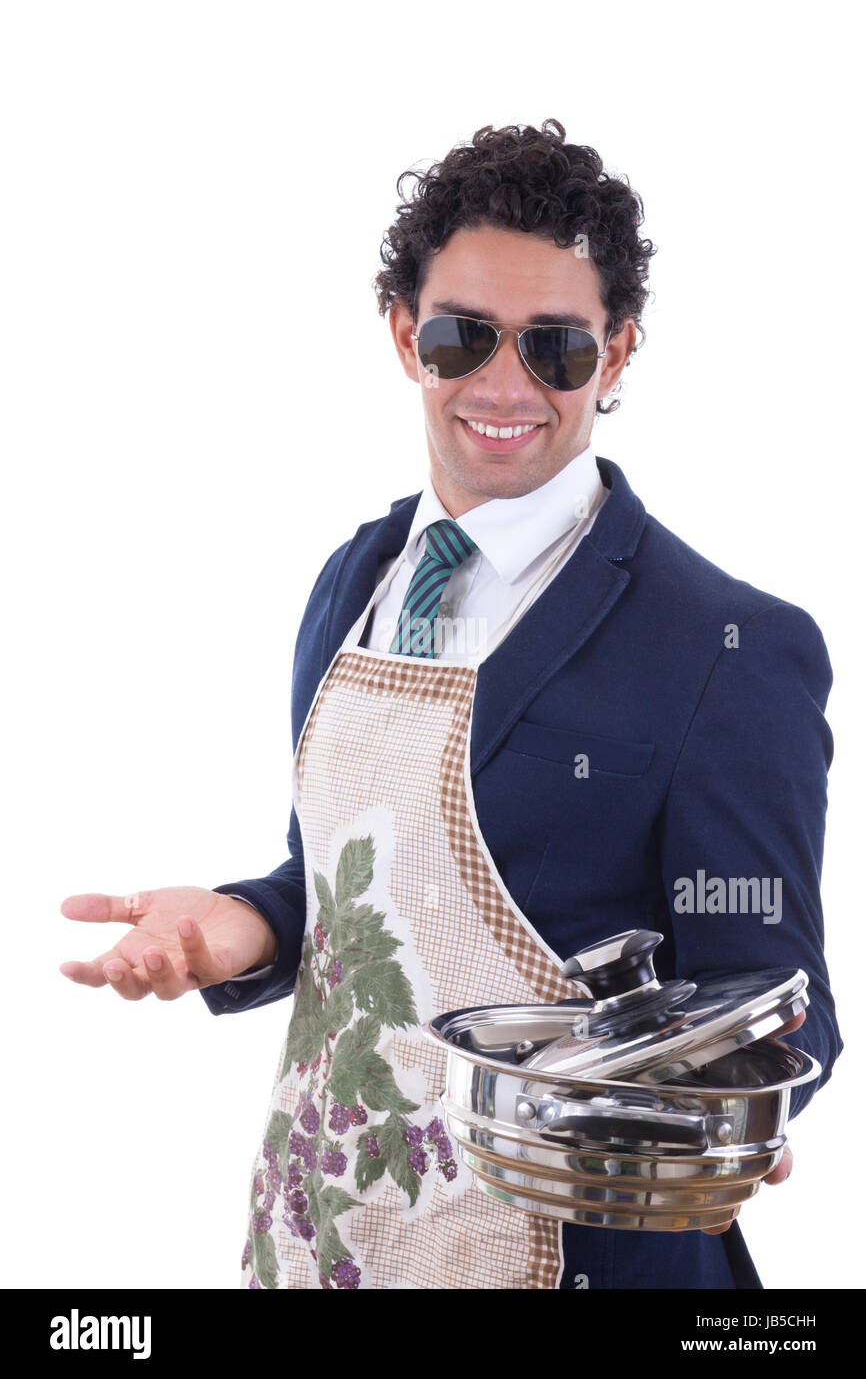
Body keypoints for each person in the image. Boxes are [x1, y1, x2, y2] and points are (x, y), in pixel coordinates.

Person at [60, 119, 842, 1290]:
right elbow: (351, 884)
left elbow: (776, 1002)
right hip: (332, 1235)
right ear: (401, 335)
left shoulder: (724, 648)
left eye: (556, 348)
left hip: (560, 1254)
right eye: (460, 334)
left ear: (617, 355)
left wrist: (715, 1102)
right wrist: (239, 926)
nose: (502, 383)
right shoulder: (354, 579)